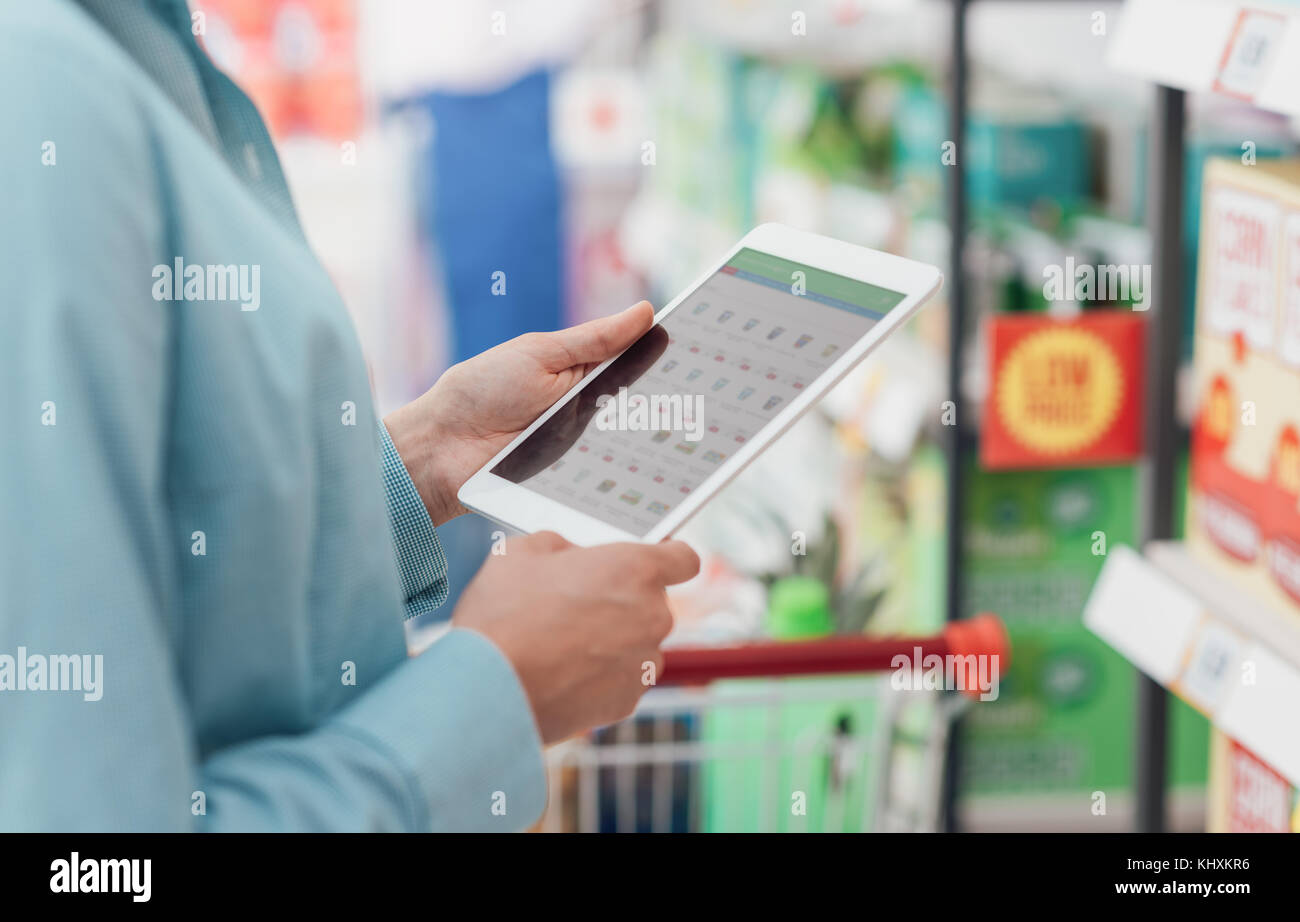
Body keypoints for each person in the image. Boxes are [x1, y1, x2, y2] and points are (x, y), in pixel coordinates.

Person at [0, 0, 698, 831]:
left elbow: (182, 575)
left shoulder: (142, 59)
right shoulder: (41, 92)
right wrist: (498, 689)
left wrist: (422, 459)